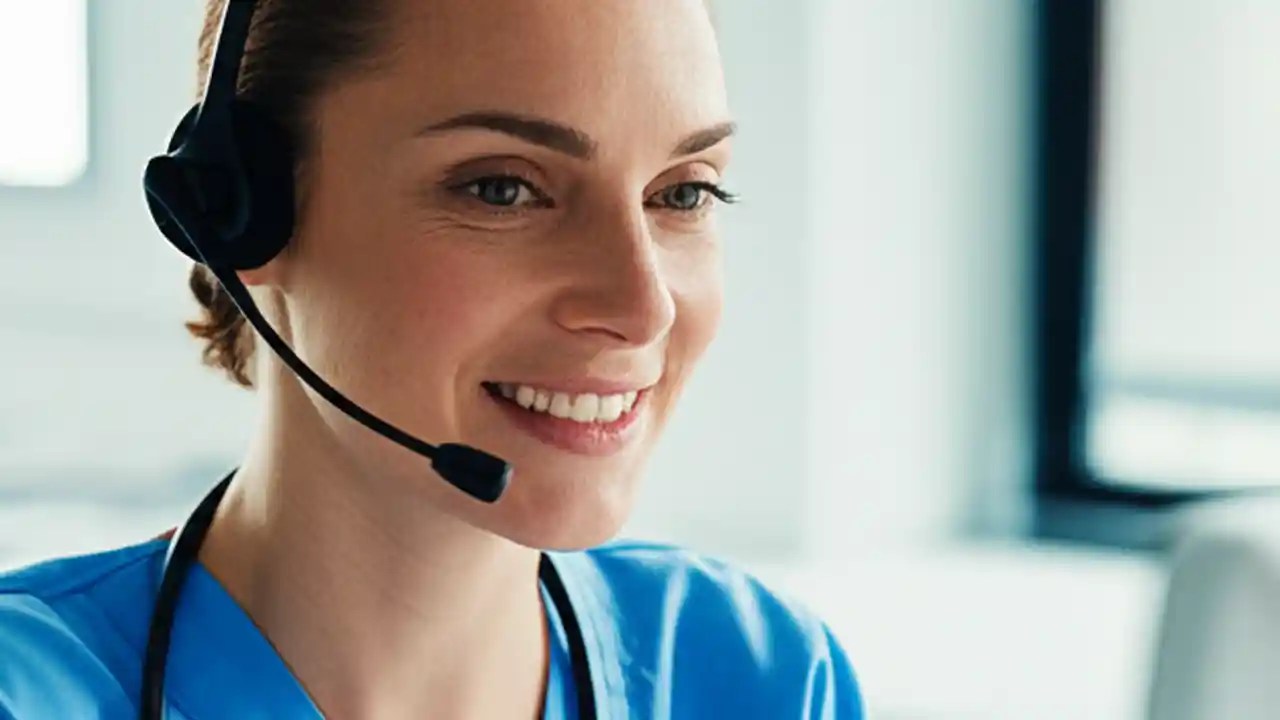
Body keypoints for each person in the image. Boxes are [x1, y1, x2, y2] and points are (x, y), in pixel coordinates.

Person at [0, 1, 863, 717]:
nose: (642, 309)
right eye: (502, 188)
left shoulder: (756, 677)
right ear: (238, 212)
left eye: (683, 192)